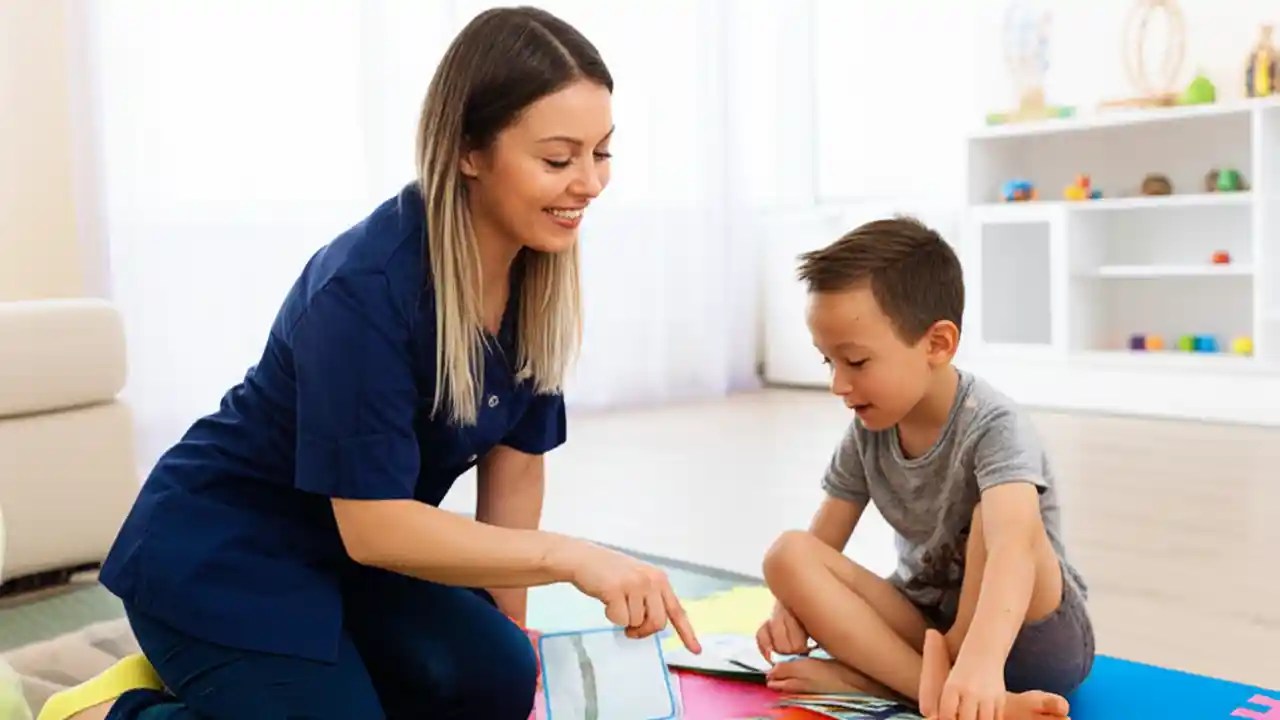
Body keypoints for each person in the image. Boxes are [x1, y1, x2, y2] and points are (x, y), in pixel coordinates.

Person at [39, 7, 700, 720]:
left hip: (353, 562)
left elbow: (517, 463)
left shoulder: (536, 273)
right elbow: (377, 527)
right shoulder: (363, 290)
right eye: (558, 159)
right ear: (468, 152)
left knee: (497, 681)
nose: (590, 183)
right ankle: (110, 712)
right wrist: (572, 556)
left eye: (602, 152)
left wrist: (502, 635)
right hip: (224, 554)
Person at [754, 217, 1094, 720]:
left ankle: (913, 683)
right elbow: (820, 546)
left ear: (937, 344)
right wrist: (793, 606)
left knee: (1000, 520)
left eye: (856, 362)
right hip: (930, 631)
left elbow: (1014, 550)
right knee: (787, 555)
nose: (838, 385)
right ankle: (938, 695)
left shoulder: (995, 423)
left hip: (1028, 634)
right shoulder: (867, 431)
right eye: (830, 363)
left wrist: (979, 662)